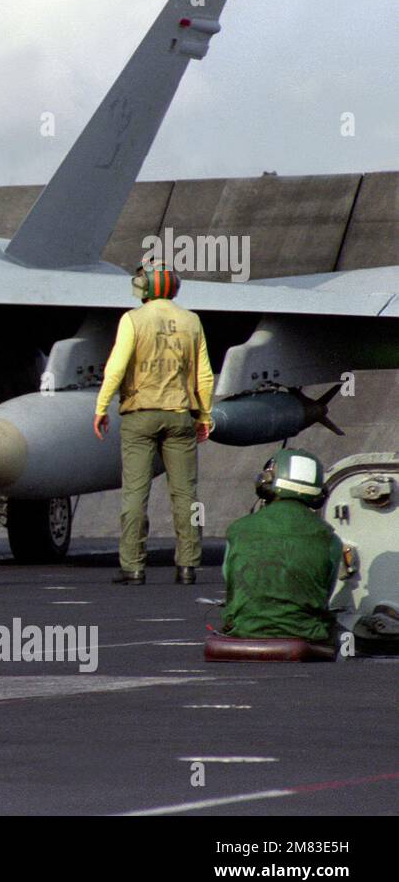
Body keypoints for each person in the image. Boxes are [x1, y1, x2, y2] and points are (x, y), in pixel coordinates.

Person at [93, 263, 213, 585]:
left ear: (145, 288)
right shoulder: (192, 321)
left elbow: (116, 368)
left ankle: (133, 567)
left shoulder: (132, 320)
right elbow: (204, 375)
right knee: (186, 493)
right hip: (180, 415)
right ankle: (187, 566)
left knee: (135, 492)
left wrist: (101, 406)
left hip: (139, 415)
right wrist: (205, 415)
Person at [220, 448, 340, 641]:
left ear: (267, 483)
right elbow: (326, 591)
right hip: (307, 633)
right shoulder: (330, 539)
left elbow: (229, 577)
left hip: (244, 629)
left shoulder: (238, 529)